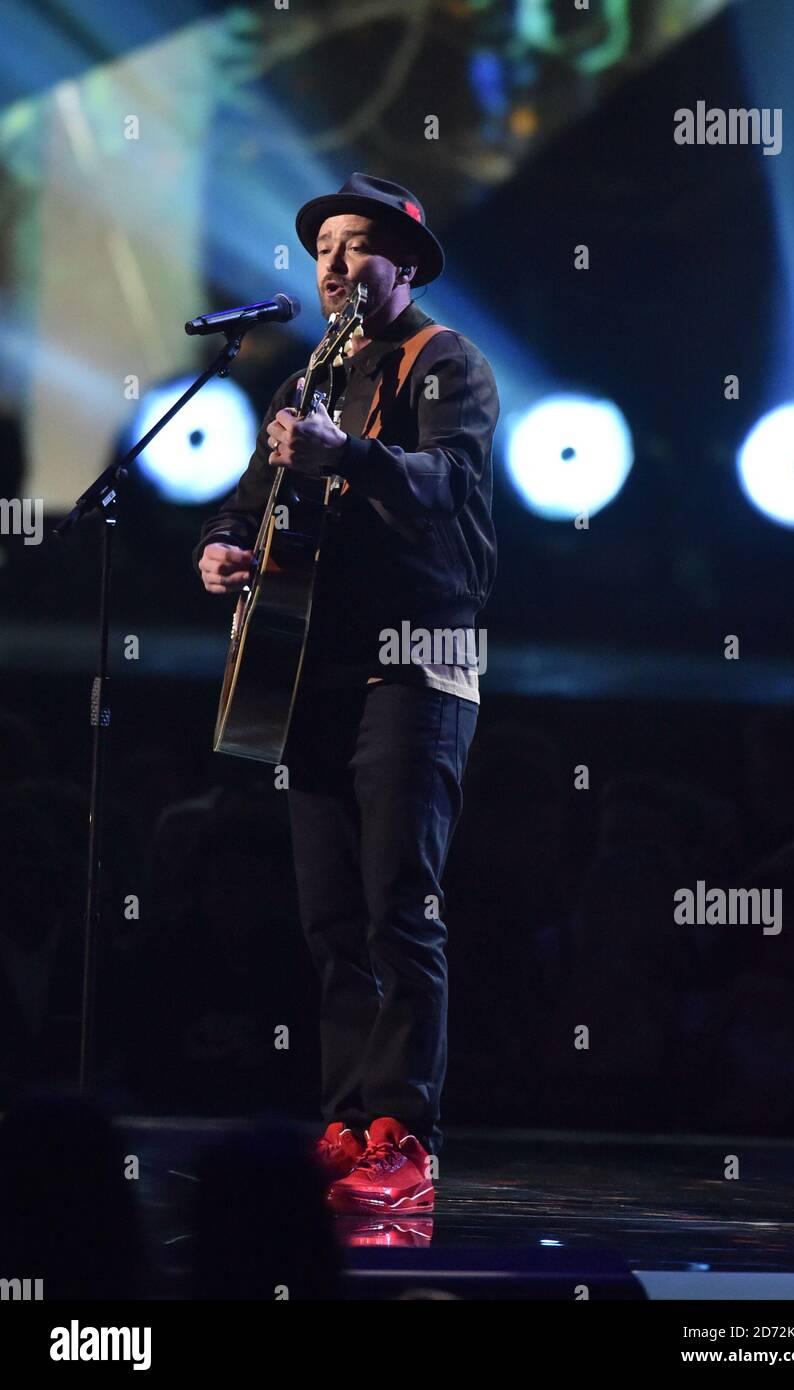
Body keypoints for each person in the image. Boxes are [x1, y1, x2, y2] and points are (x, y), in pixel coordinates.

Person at [195, 173, 499, 1212]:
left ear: (402, 264)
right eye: (320, 246)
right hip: (312, 672)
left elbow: (447, 484)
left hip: (414, 663)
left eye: (353, 244)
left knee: (397, 905)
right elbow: (250, 501)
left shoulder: (443, 360)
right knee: (328, 914)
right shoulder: (301, 383)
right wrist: (225, 548)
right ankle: (345, 1119)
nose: (329, 265)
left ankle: (404, 1134)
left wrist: (351, 455)